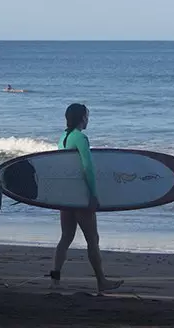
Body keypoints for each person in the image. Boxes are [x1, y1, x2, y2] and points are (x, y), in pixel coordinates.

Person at [50, 103, 124, 293]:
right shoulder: (81, 138)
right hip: (80, 196)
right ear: (82, 118)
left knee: (66, 237)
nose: (88, 119)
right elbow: (87, 167)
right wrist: (92, 194)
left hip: (65, 196)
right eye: (87, 115)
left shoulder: (63, 138)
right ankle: (101, 281)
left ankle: (55, 279)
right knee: (92, 238)